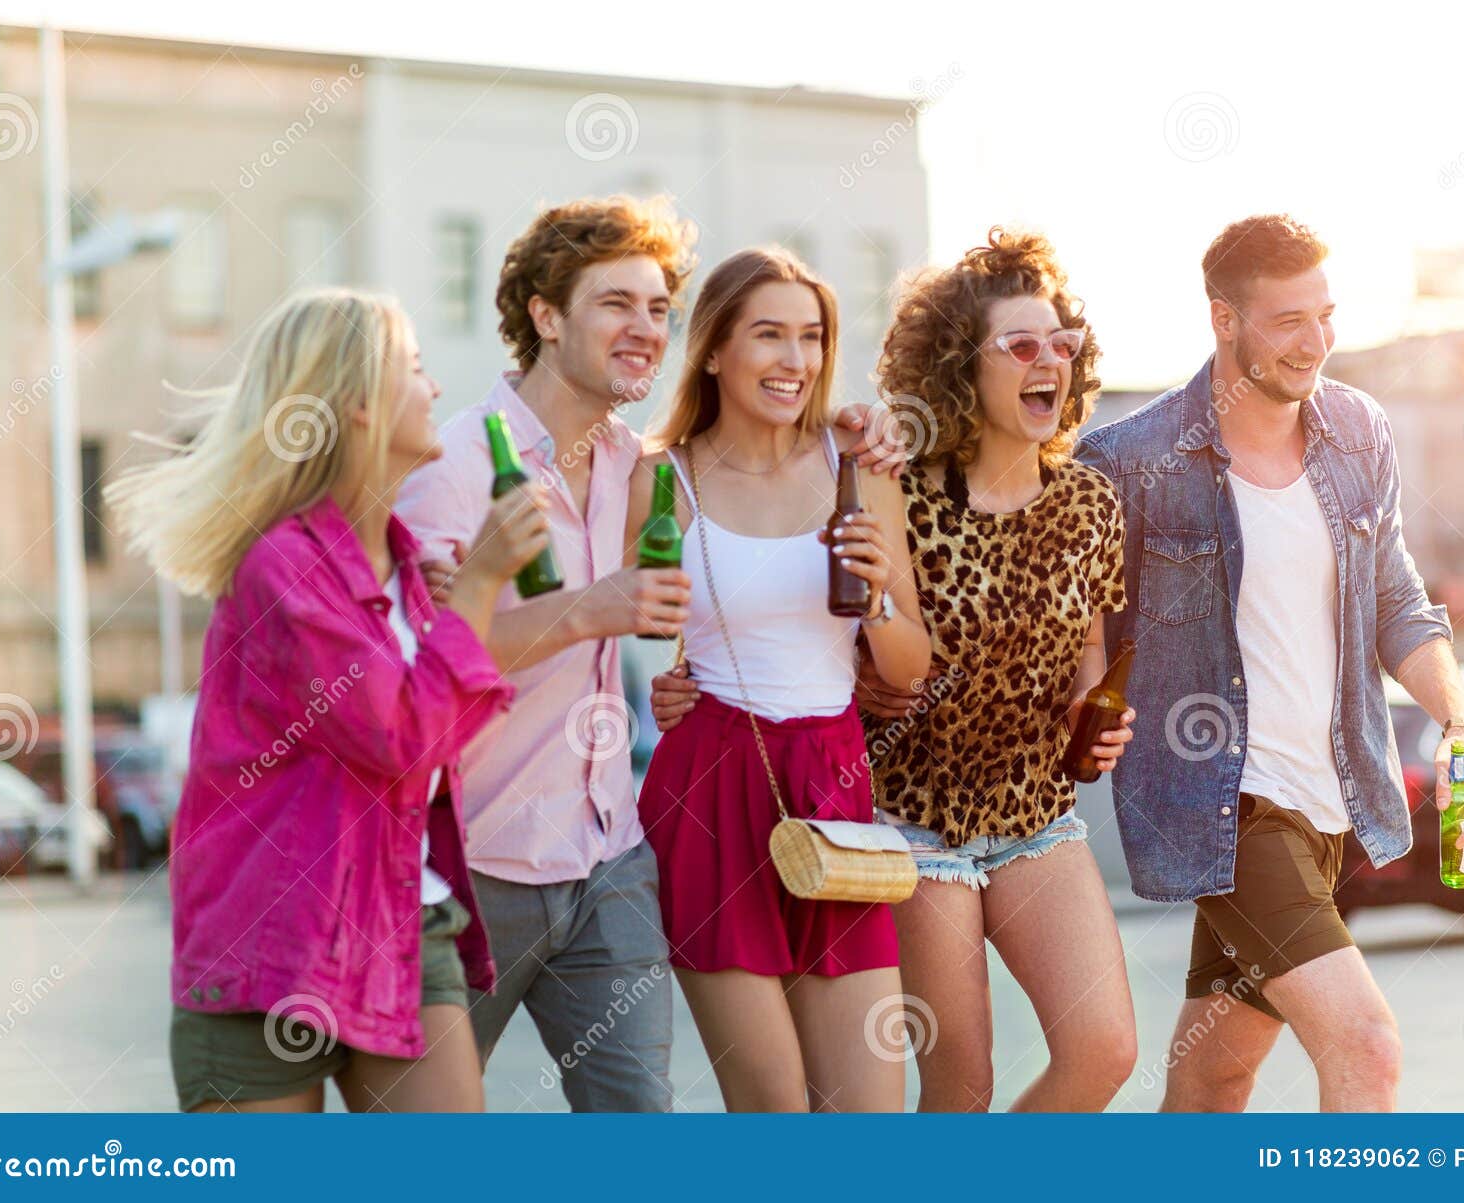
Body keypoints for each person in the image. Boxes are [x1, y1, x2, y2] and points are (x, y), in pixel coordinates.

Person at [397, 197, 899, 1110]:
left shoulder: (636, 463)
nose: (644, 327)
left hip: (611, 851)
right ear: (546, 317)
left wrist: (864, 428)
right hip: (478, 861)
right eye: (615, 304)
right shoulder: (459, 463)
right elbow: (424, 663)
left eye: (659, 306)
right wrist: (590, 609)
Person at [653, 229, 1139, 1112]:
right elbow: (821, 632)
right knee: (958, 1081)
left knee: (1104, 1047)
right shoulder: (893, 476)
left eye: (1062, 345)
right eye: (1022, 345)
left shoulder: (1087, 499)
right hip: (906, 815)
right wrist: (685, 676)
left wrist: (1092, 719)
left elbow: (1088, 653)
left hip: (1033, 808)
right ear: (961, 364)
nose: (1050, 362)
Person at [1075, 214, 1464, 1112]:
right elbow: (1077, 628)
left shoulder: (1357, 431)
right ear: (1224, 319)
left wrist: (1461, 720)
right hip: (1225, 809)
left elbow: (1398, 602)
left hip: (1332, 805)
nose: (1315, 343)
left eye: (1326, 315)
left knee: (1212, 1077)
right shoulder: (1130, 460)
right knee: (1367, 1044)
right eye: (1287, 321)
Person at [108, 288, 548, 1112]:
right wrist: (483, 585)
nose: (437, 390)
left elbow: (437, 765)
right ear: (357, 401)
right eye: (415, 369)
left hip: (406, 926)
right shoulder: (285, 567)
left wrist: (455, 604)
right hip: (267, 946)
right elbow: (400, 735)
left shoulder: (409, 570)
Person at [633, 246, 930, 1112]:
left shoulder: (857, 467)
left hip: (835, 791)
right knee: (772, 1114)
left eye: (811, 336)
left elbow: (910, 666)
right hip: (713, 790)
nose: (795, 360)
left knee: (868, 1116)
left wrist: (876, 598)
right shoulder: (663, 476)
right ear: (715, 349)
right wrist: (665, 688)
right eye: (769, 335)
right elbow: (604, 613)